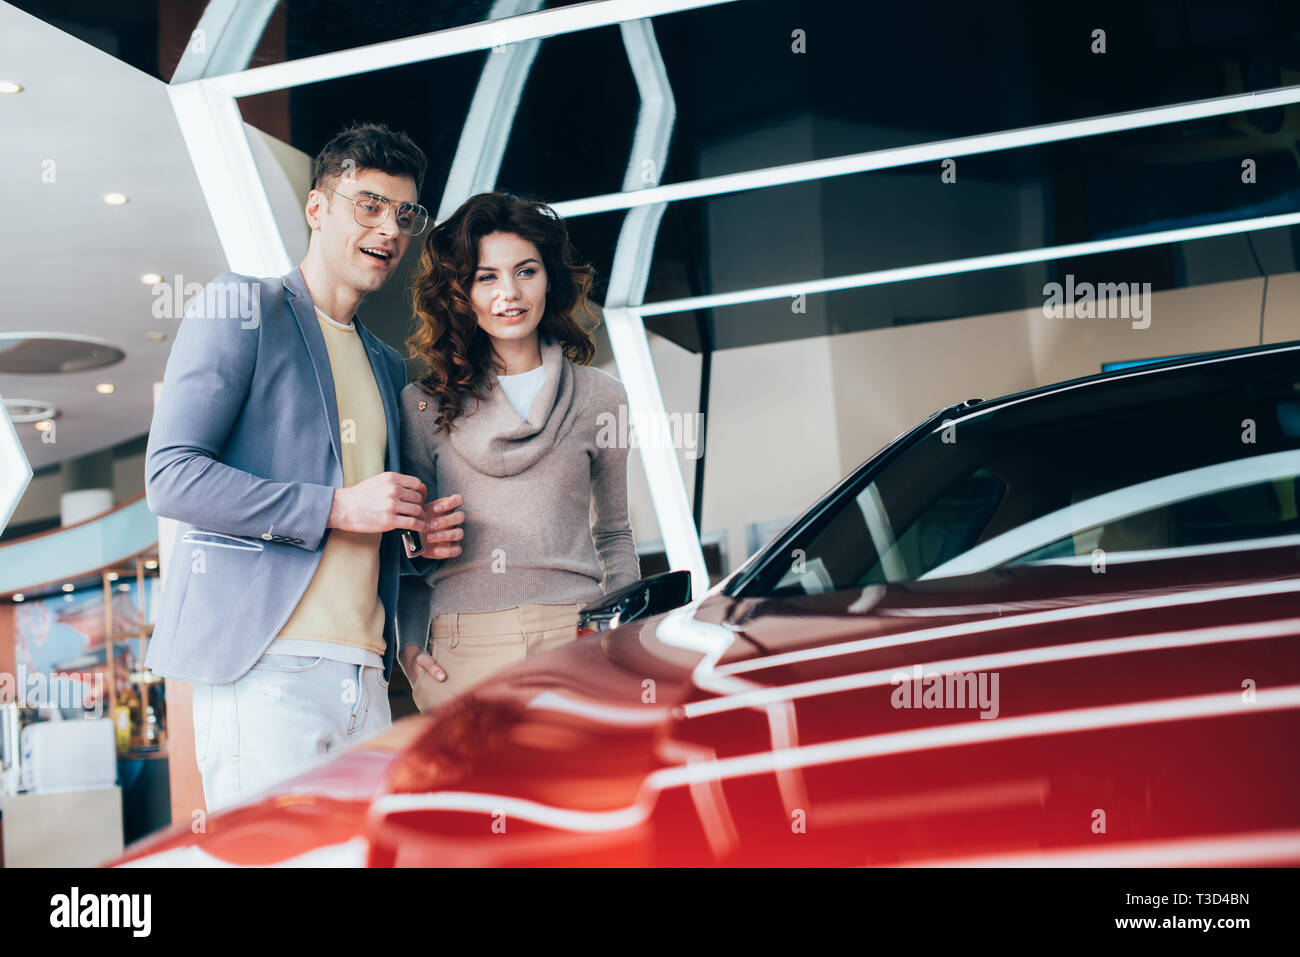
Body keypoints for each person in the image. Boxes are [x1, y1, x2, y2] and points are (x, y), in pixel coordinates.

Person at [144, 122, 466, 812]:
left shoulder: (385, 363)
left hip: (366, 674)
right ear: (317, 209)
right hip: (265, 665)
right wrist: (336, 506)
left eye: (404, 214)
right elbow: (171, 473)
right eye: (369, 204)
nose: (389, 228)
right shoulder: (246, 307)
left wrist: (416, 535)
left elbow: (376, 519)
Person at [397, 191, 640, 711]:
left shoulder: (602, 396)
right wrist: (408, 641)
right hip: (464, 645)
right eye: (486, 277)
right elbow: (410, 547)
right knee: (477, 797)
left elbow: (615, 532)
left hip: (579, 635)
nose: (509, 292)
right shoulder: (421, 405)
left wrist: (625, 630)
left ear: (549, 278)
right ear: (460, 291)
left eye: (525, 271)